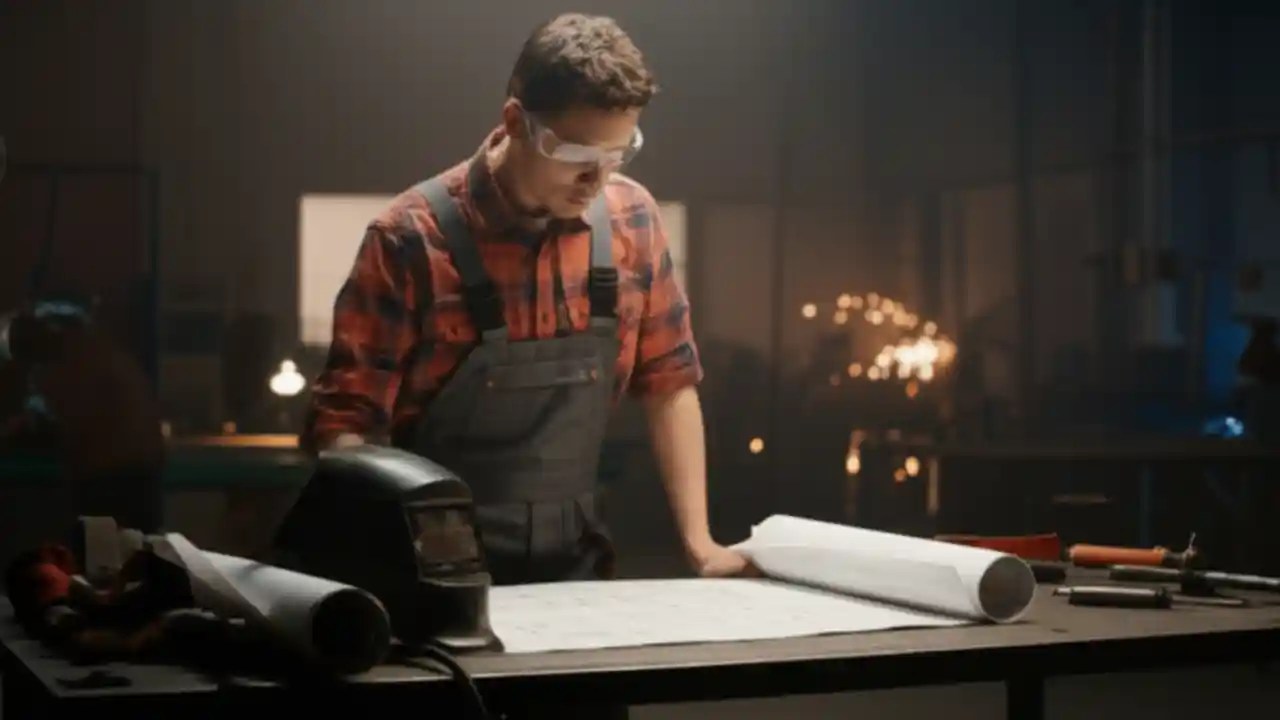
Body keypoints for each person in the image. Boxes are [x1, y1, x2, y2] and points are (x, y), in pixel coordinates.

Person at [301, 12, 749, 593]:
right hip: (428, 566)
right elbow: (345, 429)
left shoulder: (632, 220)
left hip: (574, 566)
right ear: (516, 122)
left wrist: (701, 545)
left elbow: (671, 385)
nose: (596, 180)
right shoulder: (410, 239)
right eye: (578, 154)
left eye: (618, 154)